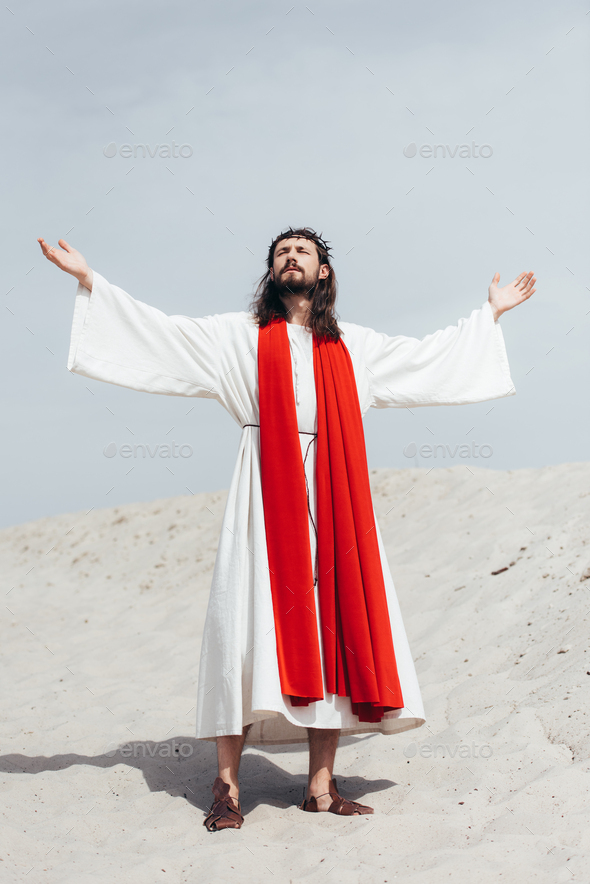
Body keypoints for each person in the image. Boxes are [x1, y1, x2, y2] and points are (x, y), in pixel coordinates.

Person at [38, 228, 535, 830]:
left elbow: (429, 356)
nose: (290, 257)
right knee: (242, 626)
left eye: (302, 251)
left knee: (331, 629)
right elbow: (161, 332)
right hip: (261, 494)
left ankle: (320, 788)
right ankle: (226, 787)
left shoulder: (356, 346)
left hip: (335, 493)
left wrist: (489, 315)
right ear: (271, 272)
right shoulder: (238, 336)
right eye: (281, 252)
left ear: (323, 271)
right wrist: (92, 283)